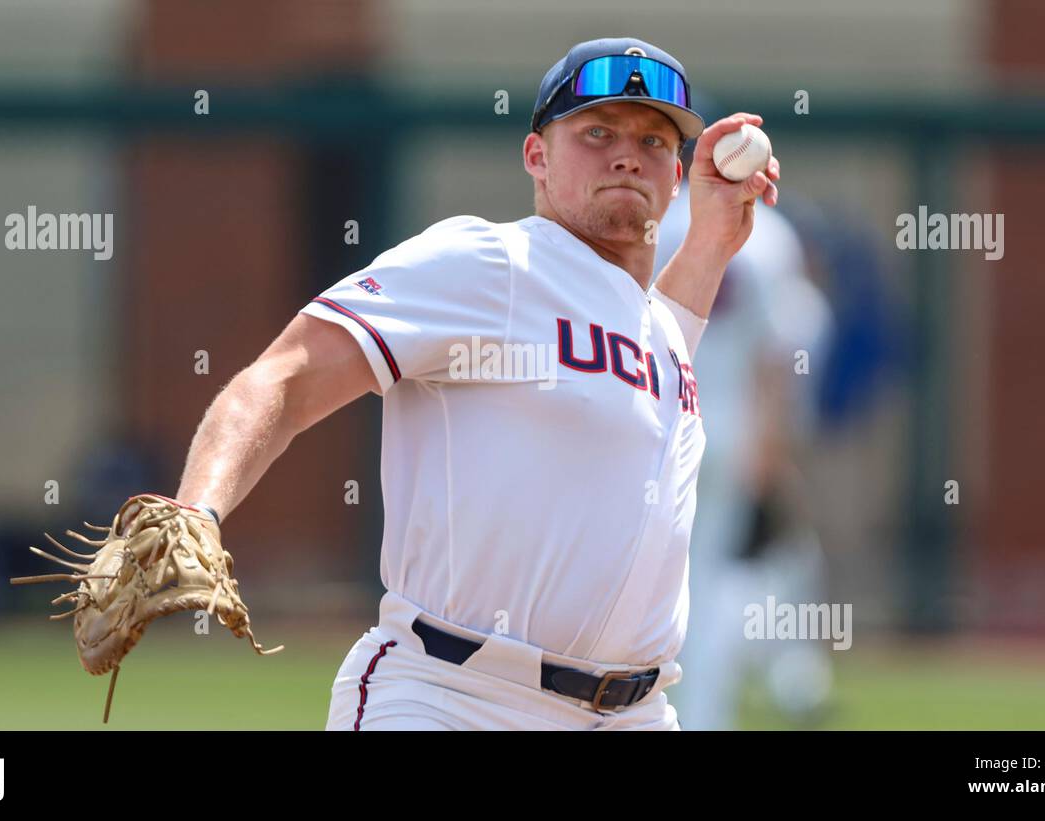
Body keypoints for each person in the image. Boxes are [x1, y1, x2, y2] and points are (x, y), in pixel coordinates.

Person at [171, 37, 779, 730]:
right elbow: (284, 376)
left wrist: (712, 239)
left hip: (636, 714)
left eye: (652, 140)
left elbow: (649, 340)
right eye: (596, 132)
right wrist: (198, 509)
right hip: (455, 697)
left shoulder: (658, 333)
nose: (625, 154)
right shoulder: (492, 262)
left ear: (675, 177)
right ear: (536, 157)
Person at [652, 143, 834, 729]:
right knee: (703, 591)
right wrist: (769, 447)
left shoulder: (645, 221)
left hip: (650, 432)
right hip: (729, 435)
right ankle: (703, 719)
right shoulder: (772, 234)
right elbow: (777, 358)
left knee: (634, 588)